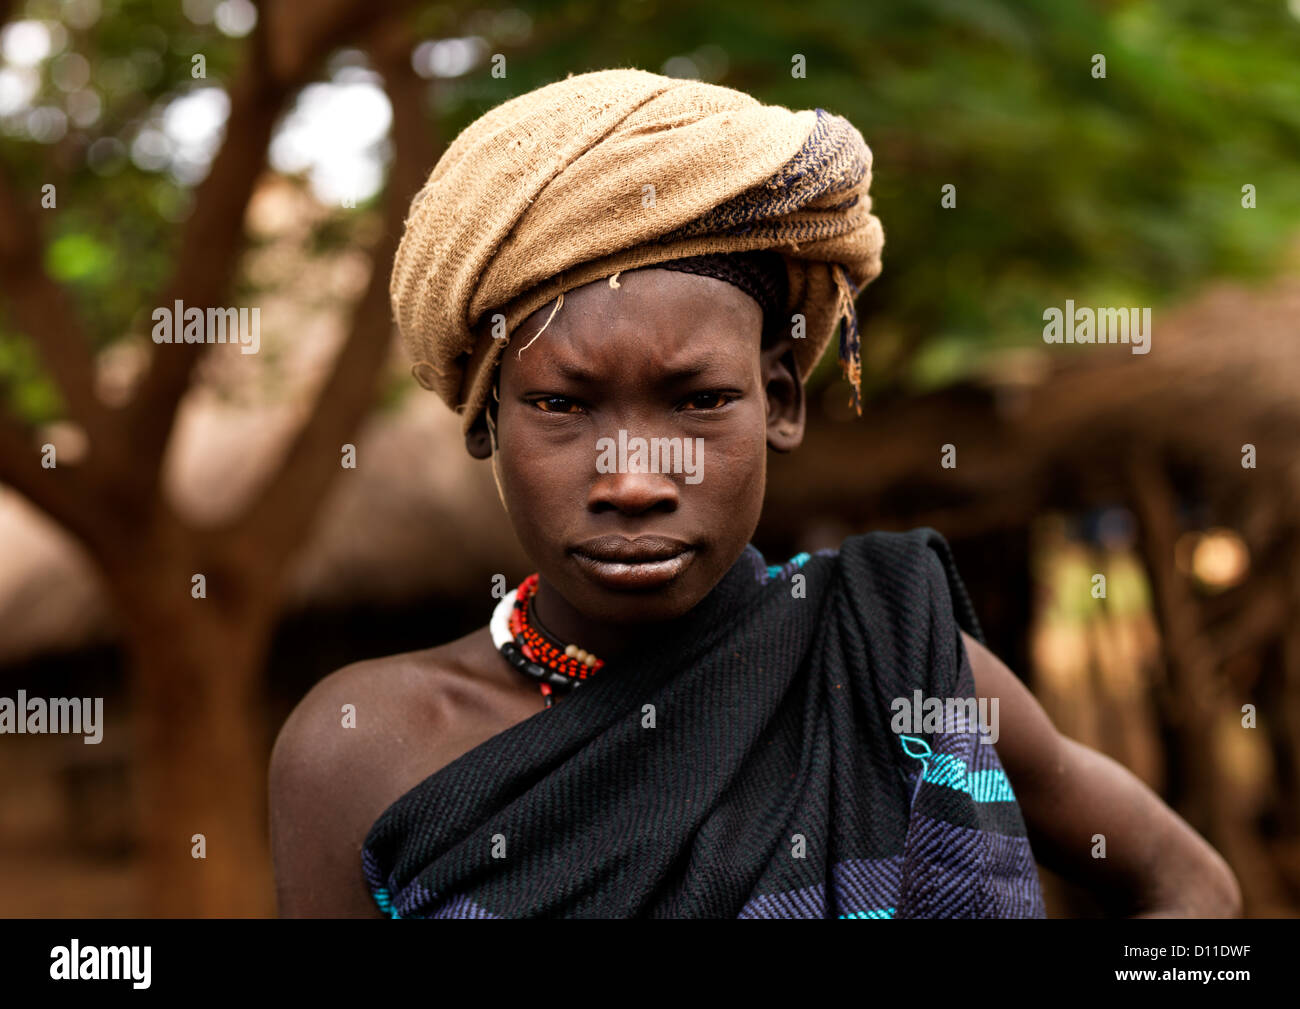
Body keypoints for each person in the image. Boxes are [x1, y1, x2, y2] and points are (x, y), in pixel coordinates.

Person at [269, 68, 1241, 918]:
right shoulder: (363, 750)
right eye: (563, 403)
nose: (636, 479)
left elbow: (1189, 886)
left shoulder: (896, 668)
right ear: (487, 422)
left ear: (778, 400)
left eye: (698, 399)